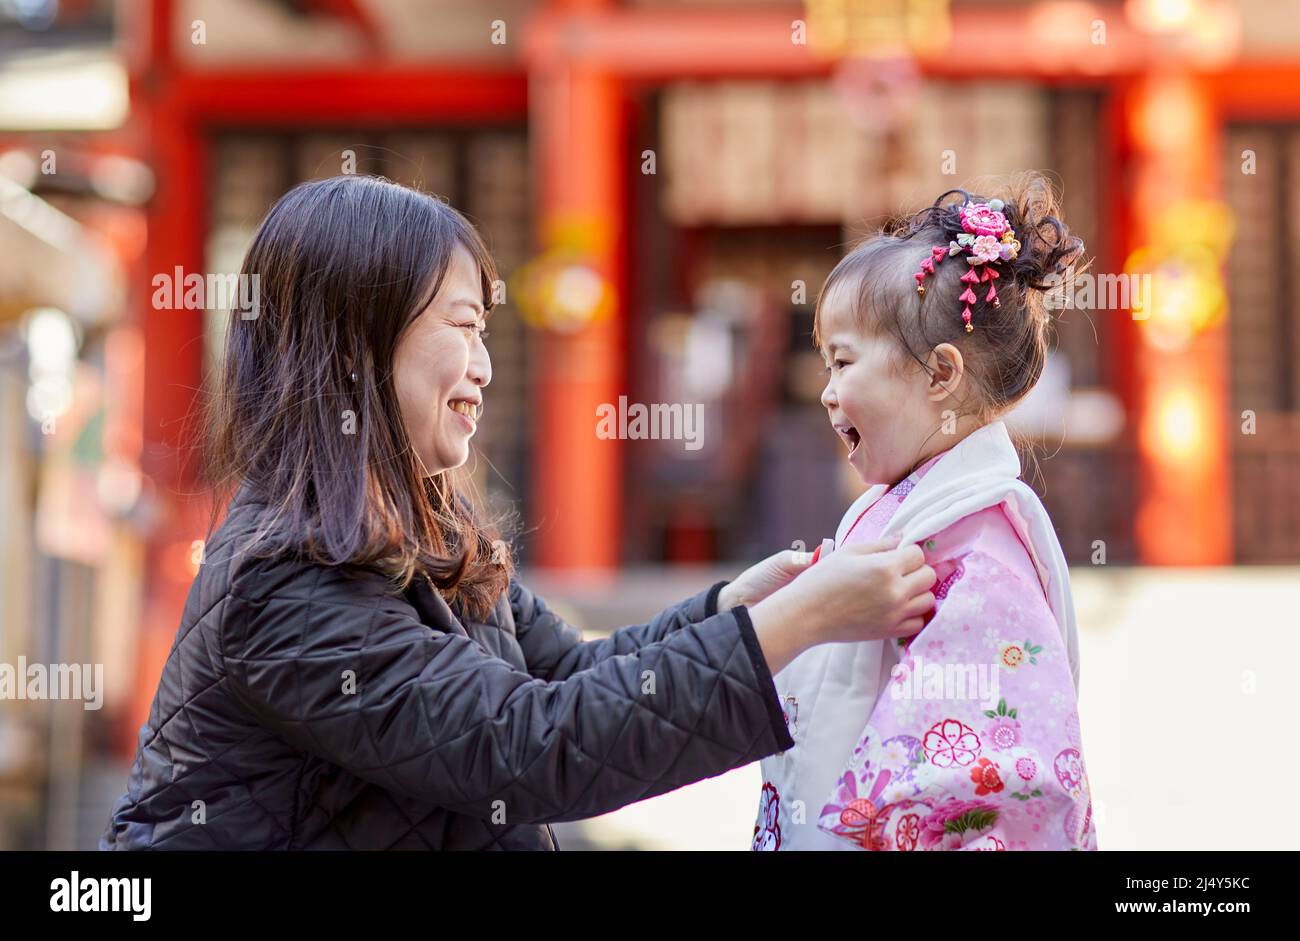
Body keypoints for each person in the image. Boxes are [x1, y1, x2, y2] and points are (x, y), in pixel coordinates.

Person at [99, 175, 936, 851]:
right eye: (464, 328)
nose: (484, 368)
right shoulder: (285, 579)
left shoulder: (421, 527)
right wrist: (791, 627)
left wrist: (732, 610)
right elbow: (526, 747)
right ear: (359, 344)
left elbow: (563, 673)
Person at [752, 173, 1097, 851]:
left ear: (940, 375)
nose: (826, 393)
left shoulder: (980, 551)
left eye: (842, 362)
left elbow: (996, 782)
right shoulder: (904, 514)